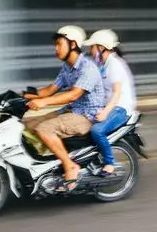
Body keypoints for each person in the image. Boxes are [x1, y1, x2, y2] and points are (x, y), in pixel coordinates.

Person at [22, 25, 106, 191]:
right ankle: (49, 163)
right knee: (27, 126)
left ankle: (70, 166)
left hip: (86, 117)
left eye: (59, 44)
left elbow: (73, 94)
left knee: (44, 129)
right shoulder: (68, 67)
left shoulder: (87, 68)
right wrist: (24, 96)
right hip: (71, 111)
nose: (56, 48)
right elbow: (50, 89)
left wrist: (44, 102)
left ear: (73, 44)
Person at [84, 29, 137, 177]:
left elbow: (117, 93)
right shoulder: (104, 65)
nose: (90, 51)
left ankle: (109, 163)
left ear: (101, 47)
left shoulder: (115, 64)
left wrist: (105, 112)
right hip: (111, 105)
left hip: (121, 108)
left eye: (92, 47)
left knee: (97, 130)